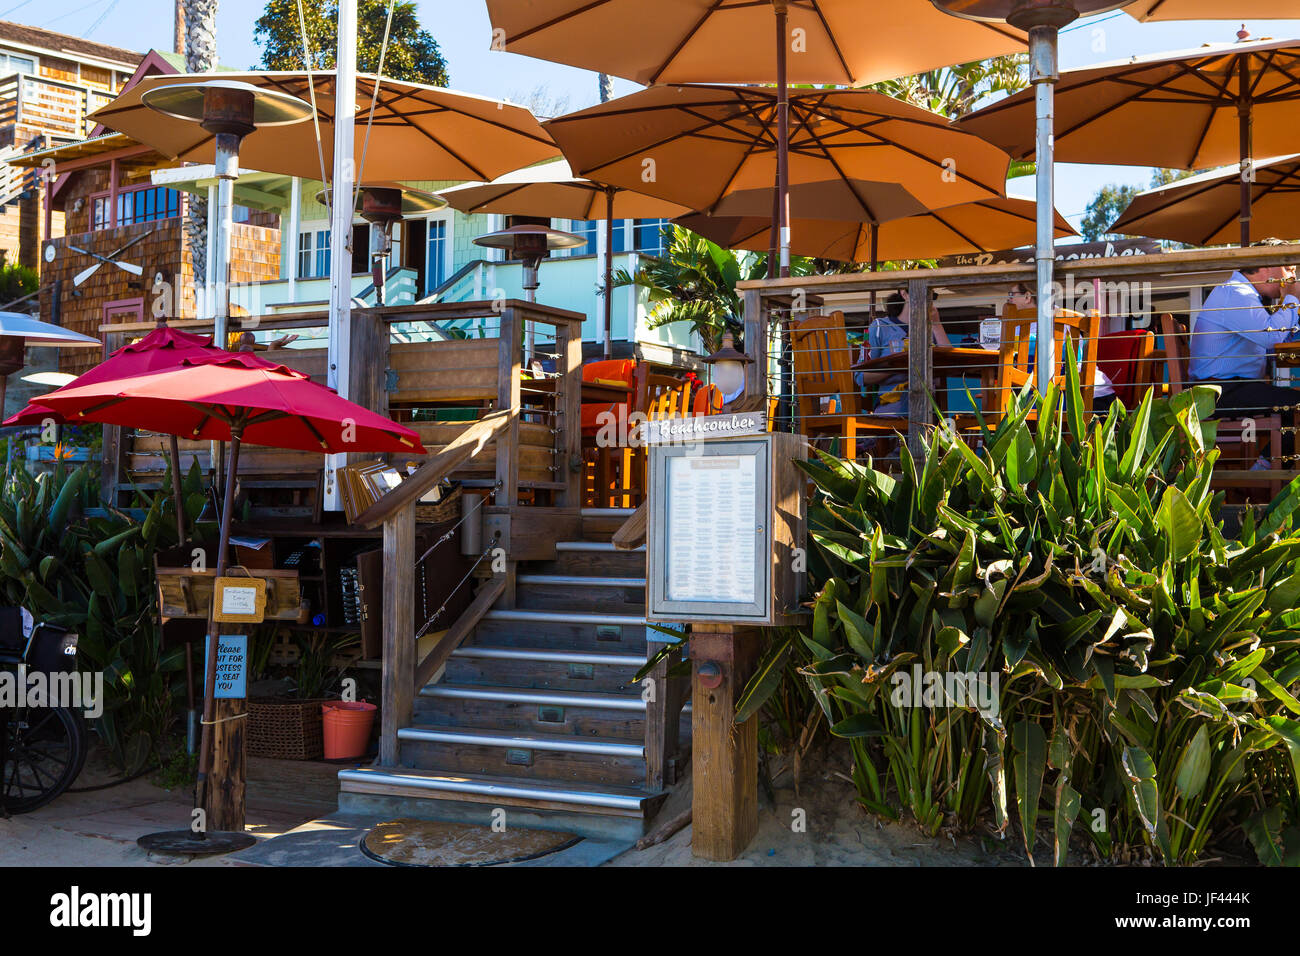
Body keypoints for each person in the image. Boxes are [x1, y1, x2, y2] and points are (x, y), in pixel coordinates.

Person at [1187, 246, 1300, 420]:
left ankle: (1275, 448)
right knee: (1295, 403)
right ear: (1266, 265)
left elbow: (1274, 342)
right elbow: (1271, 337)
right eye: (1289, 269)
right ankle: (1278, 448)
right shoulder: (1236, 293)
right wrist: (1292, 299)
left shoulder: (1243, 293)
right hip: (1218, 392)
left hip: (1229, 389)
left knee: (1291, 399)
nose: (1293, 277)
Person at [852, 290, 950, 416]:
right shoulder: (880, 327)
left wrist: (936, 324)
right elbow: (860, 377)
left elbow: (951, 363)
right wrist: (897, 366)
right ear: (904, 294)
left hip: (927, 407)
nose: (928, 299)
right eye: (923, 292)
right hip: (891, 407)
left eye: (932, 296)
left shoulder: (930, 329)